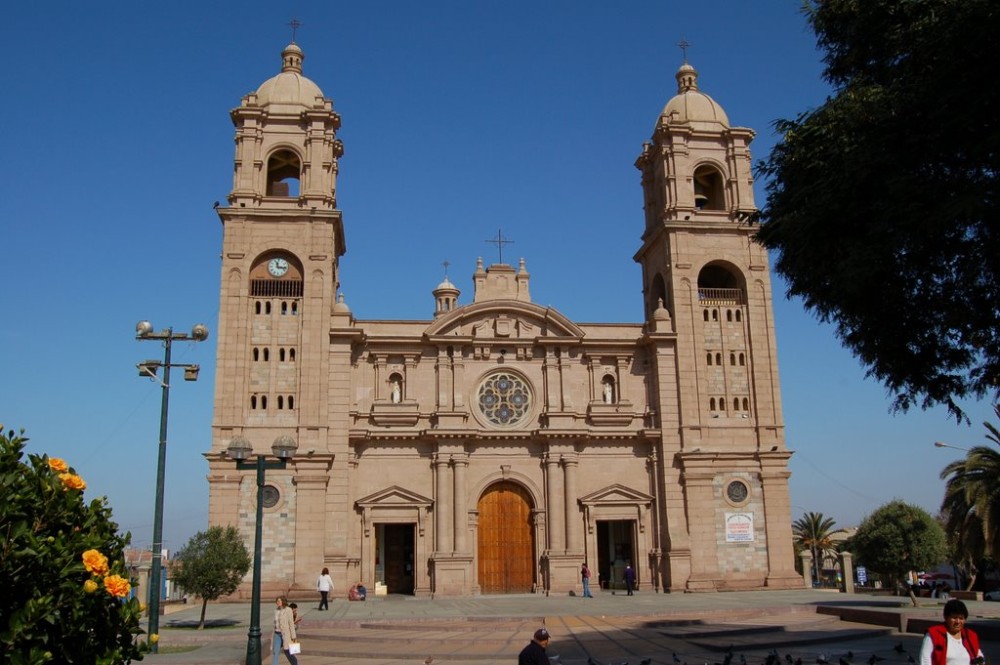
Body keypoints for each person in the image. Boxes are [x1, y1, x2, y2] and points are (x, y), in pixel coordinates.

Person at [918, 599, 984, 665]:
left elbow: (978, 654)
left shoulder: (970, 635)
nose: (958, 622)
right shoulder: (933, 634)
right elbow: (925, 658)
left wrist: (980, 660)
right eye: (954, 618)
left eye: (961, 618)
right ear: (946, 617)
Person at [272, 596, 298, 665]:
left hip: (286, 634)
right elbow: (274, 624)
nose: (277, 603)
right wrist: (272, 636)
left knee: (287, 651)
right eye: (277, 601)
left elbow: (291, 624)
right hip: (277, 634)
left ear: (283, 601)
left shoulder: (288, 610)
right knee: (275, 652)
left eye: (279, 601)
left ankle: (295, 663)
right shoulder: (276, 611)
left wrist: (293, 636)